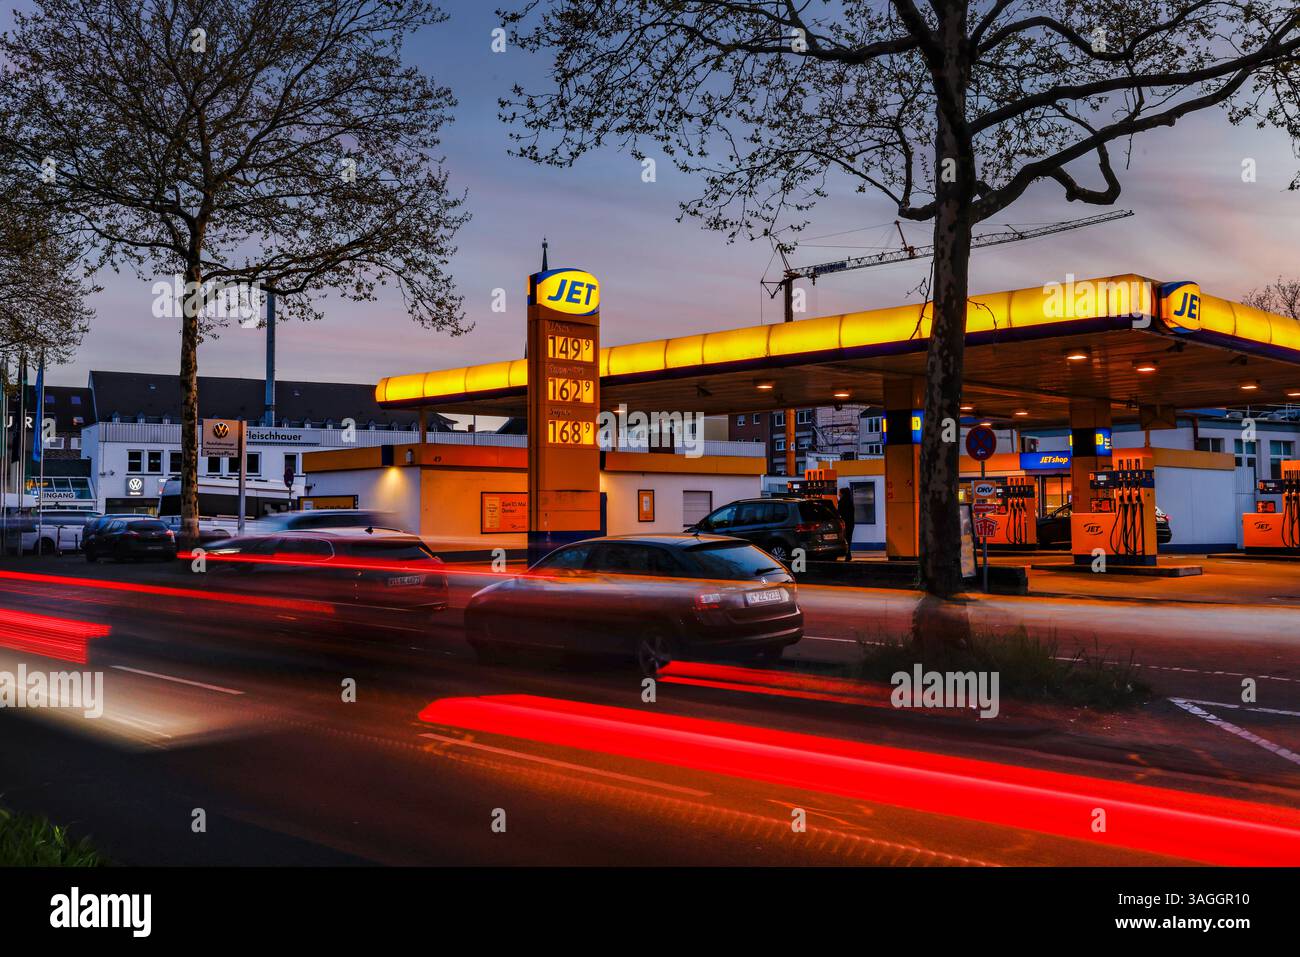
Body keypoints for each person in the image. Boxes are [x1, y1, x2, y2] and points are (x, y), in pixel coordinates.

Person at [837, 486, 855, 560]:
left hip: (845, 523)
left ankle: (848, 555)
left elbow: (839, 513)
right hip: (851, 523)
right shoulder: (850, 501)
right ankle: (848, 554)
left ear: (842, 494)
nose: (838, 494)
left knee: (845, 539)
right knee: (849, 539)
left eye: (839, 493)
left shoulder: (842, 502)